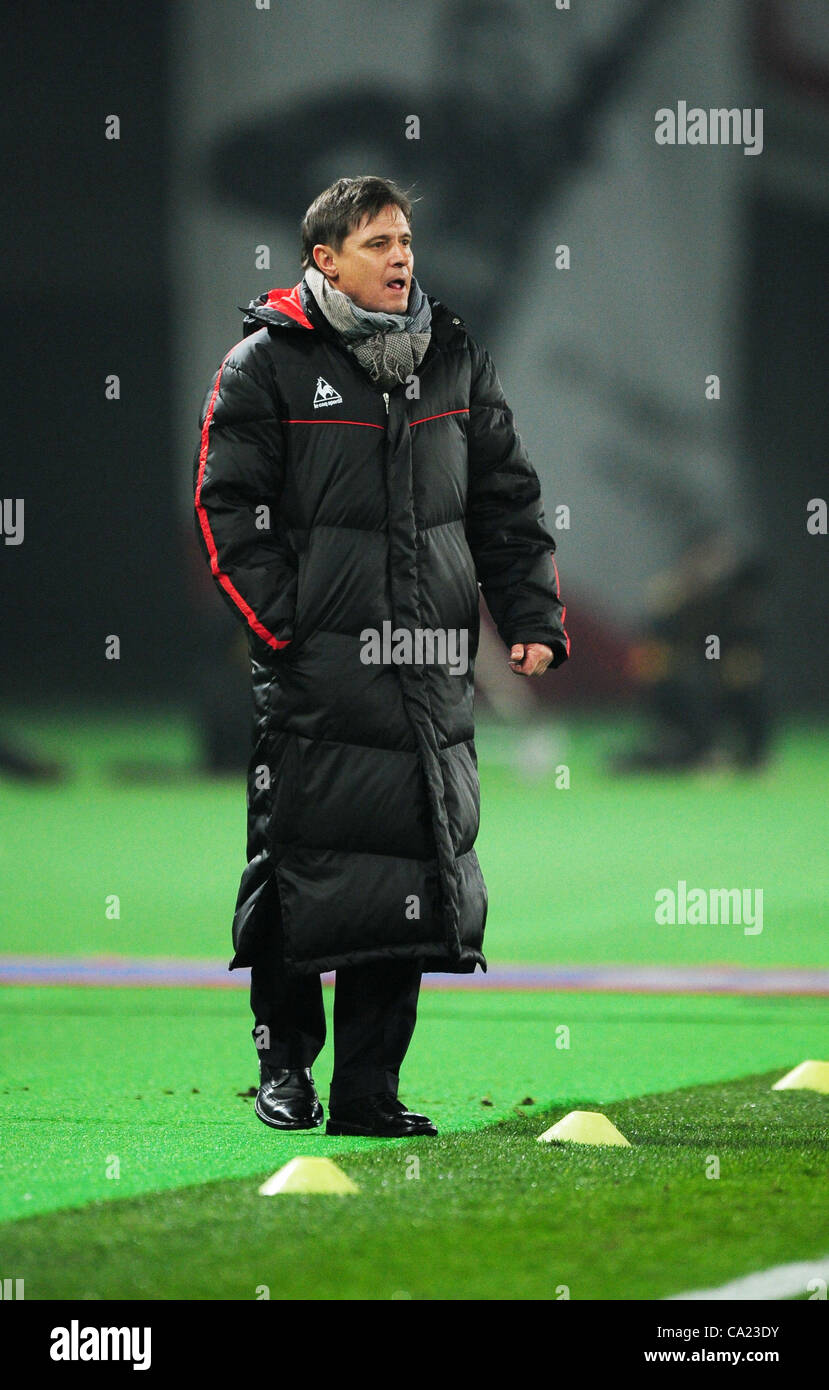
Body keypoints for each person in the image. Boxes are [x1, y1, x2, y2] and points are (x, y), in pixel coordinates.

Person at [193, 175, 569, 1139]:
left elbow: (505, 502)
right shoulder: (264, 366)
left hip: (429, 671)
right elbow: (228, 512)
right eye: (377, 243)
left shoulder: (451, 357)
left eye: (405, 240)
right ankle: (284, 1065)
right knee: (296, 866)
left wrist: (529, 612)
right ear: (324, 259)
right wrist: (290, 629)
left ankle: (367, 1089)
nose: (402, 257)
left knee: (411, 877)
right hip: (317, 669)